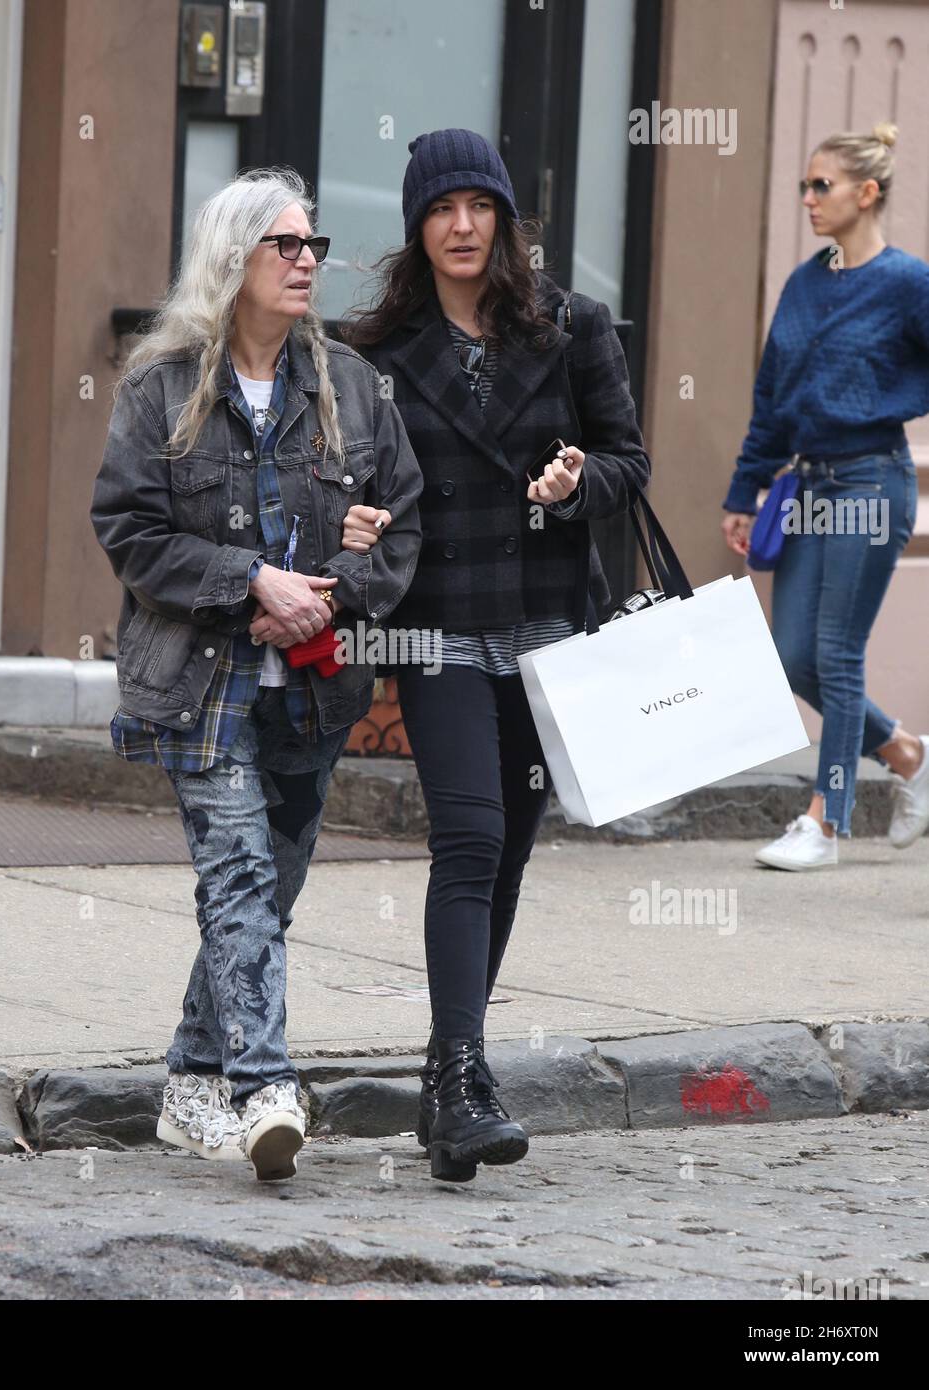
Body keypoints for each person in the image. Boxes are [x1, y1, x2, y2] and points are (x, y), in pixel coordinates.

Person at [91, 168, 422, 1180]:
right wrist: (251, 585)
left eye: (312, 244)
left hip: (313, 690)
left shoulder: (353, 390)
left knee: (263, 893)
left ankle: (190, 1084)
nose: (307, 261)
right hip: (202, 685)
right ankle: (263, 1087)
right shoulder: (163, 388)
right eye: (285, 245)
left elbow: (396, 522)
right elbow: (130, 530)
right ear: (233, 260)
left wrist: (341, 586)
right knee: (236, 876)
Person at [345, 129, 650, 1181]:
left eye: (478, 206)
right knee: (467, 839)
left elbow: (628, 459)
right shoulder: (377, 353)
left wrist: (577, 481)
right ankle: (465, 1074)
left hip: (545, 626)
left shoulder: (572, 329)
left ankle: (447, 1081)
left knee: (509, 850)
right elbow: (351, 481)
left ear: (506, 221)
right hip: (436, 629)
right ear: (416, 227)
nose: (461, 226)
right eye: (440, 209)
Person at [721, 122, 929, 870]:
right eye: (805, 184)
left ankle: (825, 821)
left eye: (822, 185)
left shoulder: (908, 282)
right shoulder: (805, 281)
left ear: (866, 193)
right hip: (804, 483)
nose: (808, 198)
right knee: (792, 657)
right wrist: (745, 489)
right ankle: (909, 755)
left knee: (837, 655)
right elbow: (772, 394)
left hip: (872, 481)